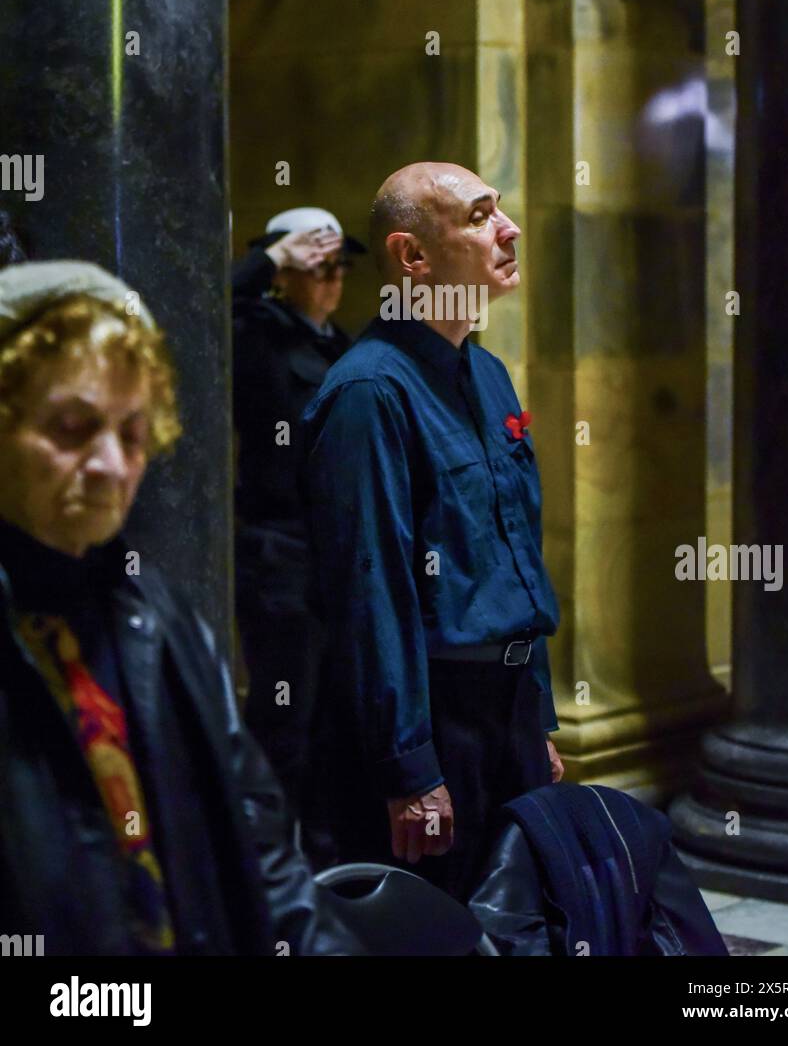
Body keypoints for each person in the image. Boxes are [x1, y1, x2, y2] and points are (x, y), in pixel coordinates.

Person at [0, 260, 363, 955]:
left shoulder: (158, 618)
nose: (110, 464)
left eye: (133, 434)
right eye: (72, 428)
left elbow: (263, 850)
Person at [302, 162, 563, 901]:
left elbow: (516, 551)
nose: (508, 230)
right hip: (432, 711)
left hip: (505, 706)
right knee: (437, 924)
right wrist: (407, 767)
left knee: (517, 924)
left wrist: (536, 714)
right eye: (480, 216)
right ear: (412, 257)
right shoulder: (369, 390)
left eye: (500, 211)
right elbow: (370, 589)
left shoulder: (486, 374)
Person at [231, 208, 364, 828]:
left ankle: (322, 853)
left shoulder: (342, 346)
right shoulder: (255, 331)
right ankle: (265, 860)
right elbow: (190, 313)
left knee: (337, 718)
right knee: (285, 715)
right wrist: (275, 258)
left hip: (338, 556)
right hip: (278, 553)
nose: (333, 278)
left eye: (340, 266)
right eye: (320, 265)